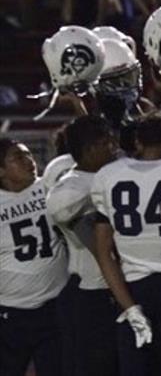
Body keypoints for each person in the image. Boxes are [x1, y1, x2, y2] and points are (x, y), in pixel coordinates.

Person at [90, 114, 161, 376]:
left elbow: (103, 251)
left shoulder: (108, 175)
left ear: (138, 142)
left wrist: (128, 306)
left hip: (133, 286)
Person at [46, 116, 119, 375]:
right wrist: (102, 189)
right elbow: (58, 208)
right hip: (92, 291)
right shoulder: (70, 186)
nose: (113, 146)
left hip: (119, 287)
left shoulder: (116, 170)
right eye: (105, 143)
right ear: (89, 150)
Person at [0, 139, 68, 376]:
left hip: (55, 305)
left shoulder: (49, 188)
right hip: (11, 313)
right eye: (18, 157)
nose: (29, 161)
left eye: (28, 154)